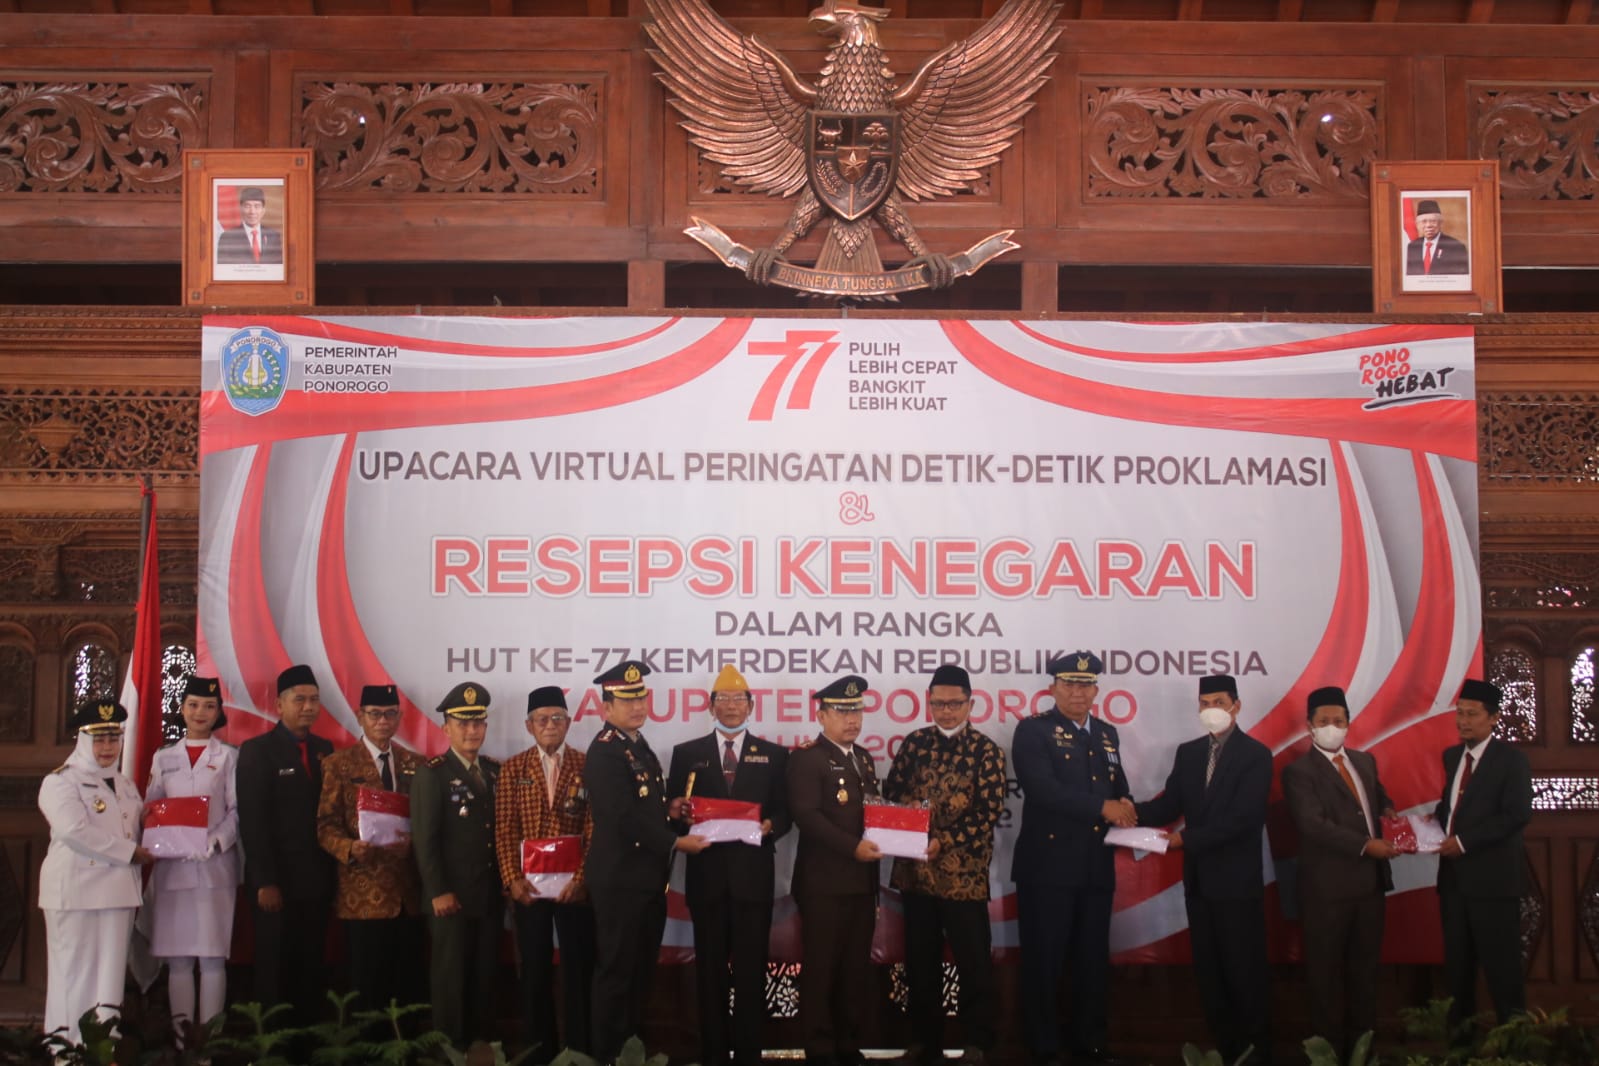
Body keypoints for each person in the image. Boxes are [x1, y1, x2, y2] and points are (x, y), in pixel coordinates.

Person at [1133, 675, 1273, 1065]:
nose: (1211, 709)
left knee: (1244, 977)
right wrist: (1125, 810)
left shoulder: (1256, 755)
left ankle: (1255, 1058)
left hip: (1237, 887)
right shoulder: (1189, 753)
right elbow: (1168, 806)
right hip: (1199, 884)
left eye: (1219, 702)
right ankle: (1224, 1054)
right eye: (1205, 702)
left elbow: (1243, 820)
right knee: (1210, 979)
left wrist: (1185, 840)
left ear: (1236, 706)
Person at [666, 666, 792, 1066]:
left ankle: (750, 1056)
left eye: (739, 699)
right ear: (710, 706)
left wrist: (771, 826)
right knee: (710, 975)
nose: (732, 706)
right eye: (724, 699)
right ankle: (714, 1055)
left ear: (751, 706)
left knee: (752, 974)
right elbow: (673, 815)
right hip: (707, 882)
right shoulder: (687, 754)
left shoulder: (774, 755)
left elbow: (785, 811)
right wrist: (679, 815)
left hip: (753, 881)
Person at [584, 660, 709, 1062]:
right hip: (620, 881)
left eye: (641, 698)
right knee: (616, 974)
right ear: (607, 707)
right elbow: (621, 818)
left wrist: (668, 810)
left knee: (639, 973)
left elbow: (642, 808)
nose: (637, 706)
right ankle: (608, 1055)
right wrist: (676, 841)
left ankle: (630, 1052)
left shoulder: (637, 745)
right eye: (627, 700)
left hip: (646, 881)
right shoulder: (605, 751)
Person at [882, 664, 1006, 1066]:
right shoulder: (915, 743)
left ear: (971, 704)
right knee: (920, 963)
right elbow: (893, 791)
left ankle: (976, 1043)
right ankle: (924, 1043)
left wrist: (944, 841)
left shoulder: (986, 751)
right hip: (917, 874)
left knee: (973, 962)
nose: (947, 711)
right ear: (929, 703)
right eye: (939, 704)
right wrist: (907, 825)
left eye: (954, 704)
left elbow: (987, 813)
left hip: (963, 878)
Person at [1010, 652, 1131, 1066]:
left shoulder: (1107, 733)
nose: (1078, 692)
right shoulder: (1033, 731)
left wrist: (1126, 803)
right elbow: (1043, 790)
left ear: (1096, 690)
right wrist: (1103, 807)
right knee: (1044, 960)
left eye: (1085, 685)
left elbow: (1116, 785)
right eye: (1069, 684)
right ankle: (1043, 1047)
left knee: (1092, 959)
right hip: (1048, 867)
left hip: (1095, 866)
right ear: (1053, 688)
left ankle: (1090, 1043)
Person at [1281, 686, 1395, 1060]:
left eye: (1339, 720)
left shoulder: (1365, 761)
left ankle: (1363, 1056)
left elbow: (1378, 799)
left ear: (1349, 723)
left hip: (1370, 889)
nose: (1332, 727)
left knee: (1365, 978)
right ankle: (1327, 1058)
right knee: (1325, 982)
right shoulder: (1298, 772)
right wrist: (1366, 845)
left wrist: (1391, 815)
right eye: (1324, 721)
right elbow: (1312, 825)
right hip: (1325, 893)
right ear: (1309, 726)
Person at [38, 698, 154, 1045]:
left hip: (118, 893)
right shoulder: (61, 782)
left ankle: (103, 1051)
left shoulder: (126, 785)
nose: (107, 747)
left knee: (109, 979)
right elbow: (74, 831)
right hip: (76, 893)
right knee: (72, 975)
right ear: (82, 739)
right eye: (99, 739)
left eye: (113, 738)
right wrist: (129, 852)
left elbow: (134, 827)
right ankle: (67, 1052)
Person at [495, 685, 596, 1063]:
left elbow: (595, 828)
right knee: (534, 972)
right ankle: (539, 1054)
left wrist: (582, 879)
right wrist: (512, 879)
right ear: (529, 725)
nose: (550, 725)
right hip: (529, 889)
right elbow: (504, 829)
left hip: (574, 890)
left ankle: (579, 1052)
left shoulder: (587, 765)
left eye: (557, 718)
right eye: (542, 719)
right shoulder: (513, 768)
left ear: (569, 723)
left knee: (578, 971)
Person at [787, 673, 882, 1066]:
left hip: (862, 883)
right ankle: (820, 1047)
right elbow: (806, 816)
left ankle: (847, 1043)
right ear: (822, 715)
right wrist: (852, 847)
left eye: (856, 710)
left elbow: (873, 813)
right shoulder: (807, 758)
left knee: (853, 968)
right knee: (822, 968)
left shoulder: (864, 758)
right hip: (823, 884)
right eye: (842, 712)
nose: (852, 719)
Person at [315, 683, 425, 1014]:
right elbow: (325, 826)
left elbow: (426, 823)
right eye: (375, 714)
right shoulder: (338, 764)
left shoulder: (416, 764)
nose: (382, 721)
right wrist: (350, 848)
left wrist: (415, 843)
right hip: (362, 895)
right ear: (360, 716)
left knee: (407, 989)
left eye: (390, 714)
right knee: (367, 989)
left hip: (408, 895)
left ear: (399, 717)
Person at [236, 664, 335, 1023]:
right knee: (274, 969)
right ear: (279, 705)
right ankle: (274, 1047)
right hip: (275, 883)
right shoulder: (257, 751)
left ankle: (309, 1042)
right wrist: (265, 881)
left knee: (311, 966)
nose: (308, 707)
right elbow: (253, 821)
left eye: (314, 700)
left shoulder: (326, 749)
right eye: (300, 699)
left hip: (317, 882)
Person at [1435, 678, 1532, 1032]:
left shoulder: (1511, 761)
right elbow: (1451, 809)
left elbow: (1516, 814)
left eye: (1472, 714)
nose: (1463, 721)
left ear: (1493, 718)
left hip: (1494, 886)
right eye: (1459, 713)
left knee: (1503, 976)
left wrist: (1463, 842)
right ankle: (1461, 1051)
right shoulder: (1452, 757)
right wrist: (1426, 828)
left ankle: (1516, 1050)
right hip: (1453, 885)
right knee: (1458, 976)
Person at [146, 675, 240, 1037]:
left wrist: (216, 840)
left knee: (213, 959)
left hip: (214, 867)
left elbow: (238, 810)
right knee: (179, 960)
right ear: (182, 708)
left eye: (209, 706)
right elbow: (152, 806)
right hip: (172, 869)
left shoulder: (228, 756)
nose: (201, 712)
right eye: (194, 705)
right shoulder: (163, 758)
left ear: (218, 712)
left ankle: (209, 1045)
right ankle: (183, 1044)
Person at [412, 681, 503, 1046]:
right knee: (451, 982)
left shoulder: (495, 772)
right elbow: (425, 840)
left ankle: (481, 1051)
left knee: (485, 980)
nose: (471, 730)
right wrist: (438, 891)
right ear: (446, 728)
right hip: (450, 898)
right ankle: (448, 1053)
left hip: (489, 896)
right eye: (462, 723)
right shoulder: (432, 773)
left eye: (477, 723)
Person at [216, 186, 283, 265]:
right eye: (247, 206)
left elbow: (277, 266)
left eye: (257, 206)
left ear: (263, 210)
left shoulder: (273, 236)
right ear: (240, 209)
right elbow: (223, 268)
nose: (252, 212)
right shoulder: (227, 237)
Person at [1404, 199, 1468, 276]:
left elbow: (1461, 278)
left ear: (1440, 223)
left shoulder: (1456, 247)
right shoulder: (1412, 247)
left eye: (1433, 221)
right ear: (1417, 225)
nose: (1428, 225)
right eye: (1424, 221)